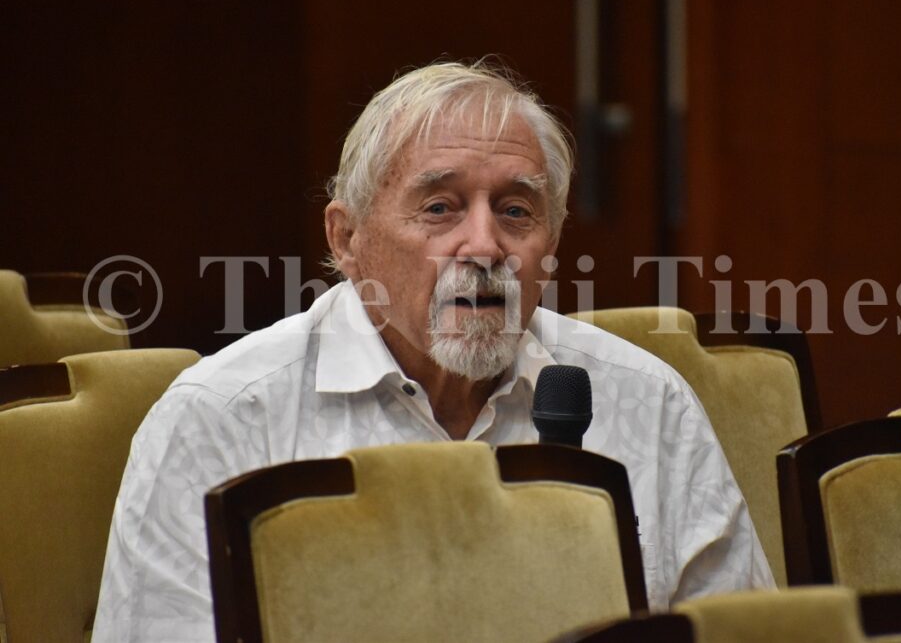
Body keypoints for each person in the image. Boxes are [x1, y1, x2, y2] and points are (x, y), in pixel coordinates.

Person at [93, 60, 773, 642]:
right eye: (440, 208)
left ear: (553, 240)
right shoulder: (222, 420)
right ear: (347, 239)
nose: (484, 246)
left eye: (515, 210)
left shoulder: (648, 402)